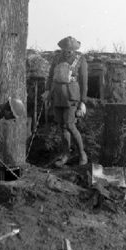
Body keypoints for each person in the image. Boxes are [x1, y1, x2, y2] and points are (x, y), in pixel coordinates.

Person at [47, 36, 88, 166]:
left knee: (70, 124)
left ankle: (82, 153)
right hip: (57, 95)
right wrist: (48, 91)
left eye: (71, 49)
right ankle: (65, 155)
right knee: (62, 127)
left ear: (75, 49)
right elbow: (50, 76)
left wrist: (83, 101)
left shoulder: (80, 60)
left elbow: (84, 82)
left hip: (72, 96)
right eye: (65, 49)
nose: (68, 51)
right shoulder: (57, 58)